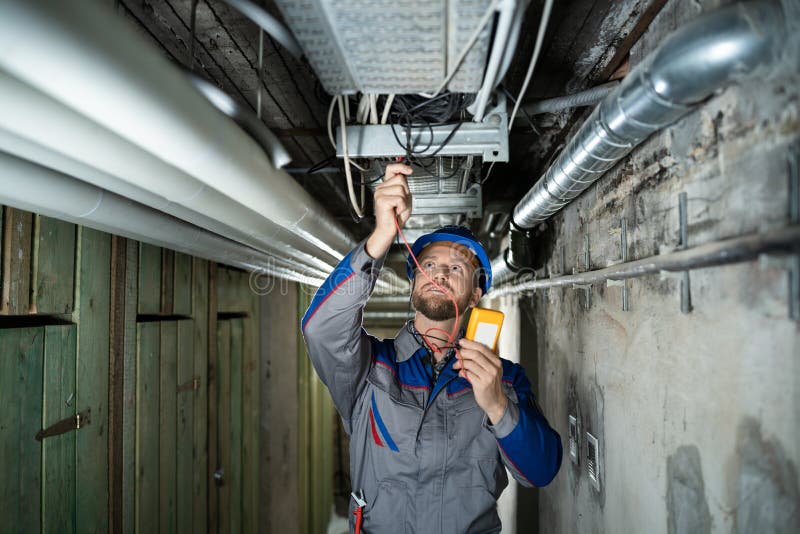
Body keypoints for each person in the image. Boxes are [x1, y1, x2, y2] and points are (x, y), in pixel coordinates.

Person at [301, 163, 562, 533]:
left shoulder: (504, 379)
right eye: (429, 265)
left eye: (456, 268)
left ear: (475, 294)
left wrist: (497, 405)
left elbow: (541, 471)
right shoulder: (370, 368)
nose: (439, 273)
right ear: (413, 286)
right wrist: (381, 236)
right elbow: (319, 329)